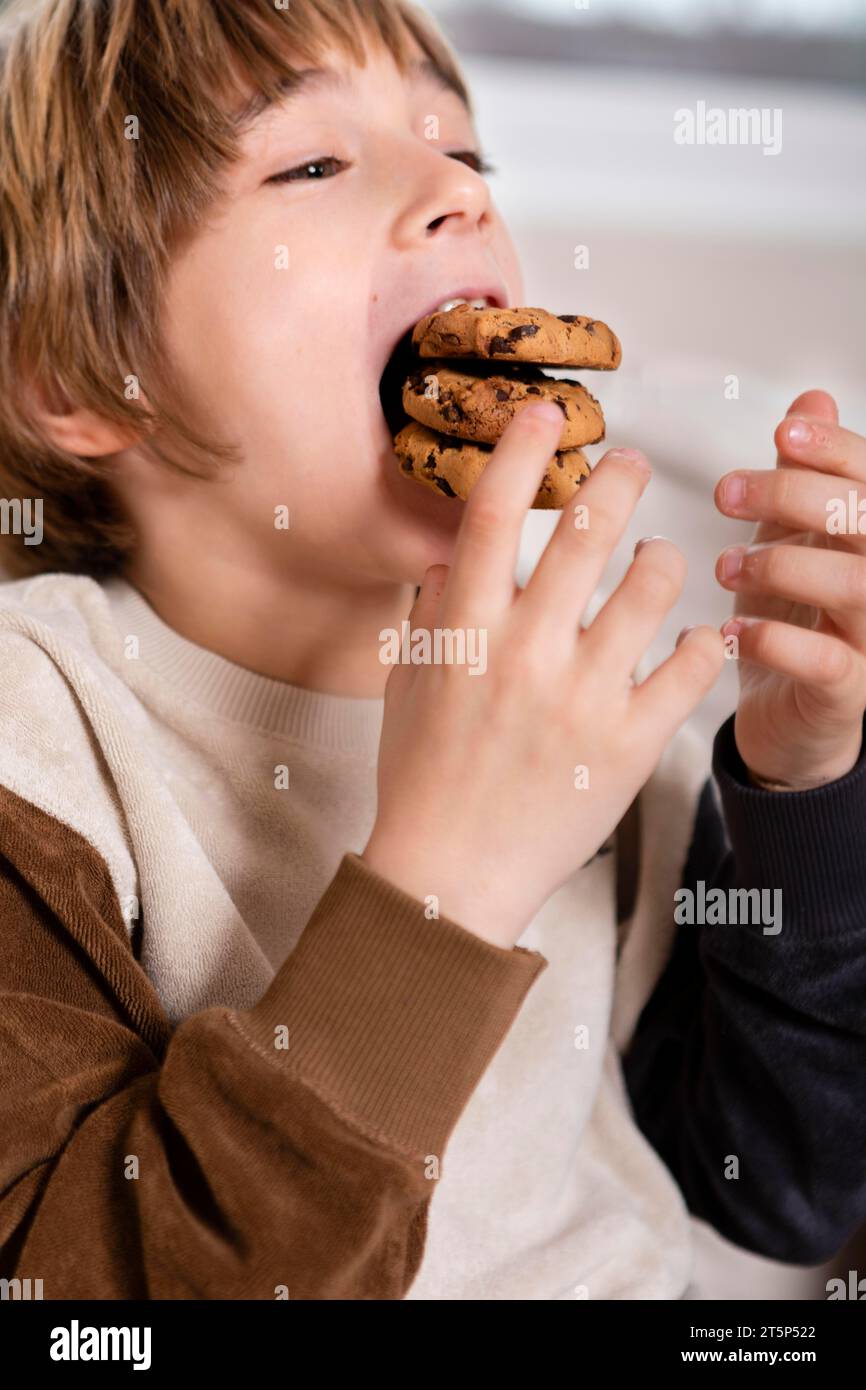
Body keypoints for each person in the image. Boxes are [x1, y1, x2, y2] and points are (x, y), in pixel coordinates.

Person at [0, 0, 863, 1300]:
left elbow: (781, 1187)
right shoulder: (39, 738)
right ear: (84, 377)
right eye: (312, 163)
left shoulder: (598, 708)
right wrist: (447, 881)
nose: (453, 190)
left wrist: (799, 791)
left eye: (465, 151)